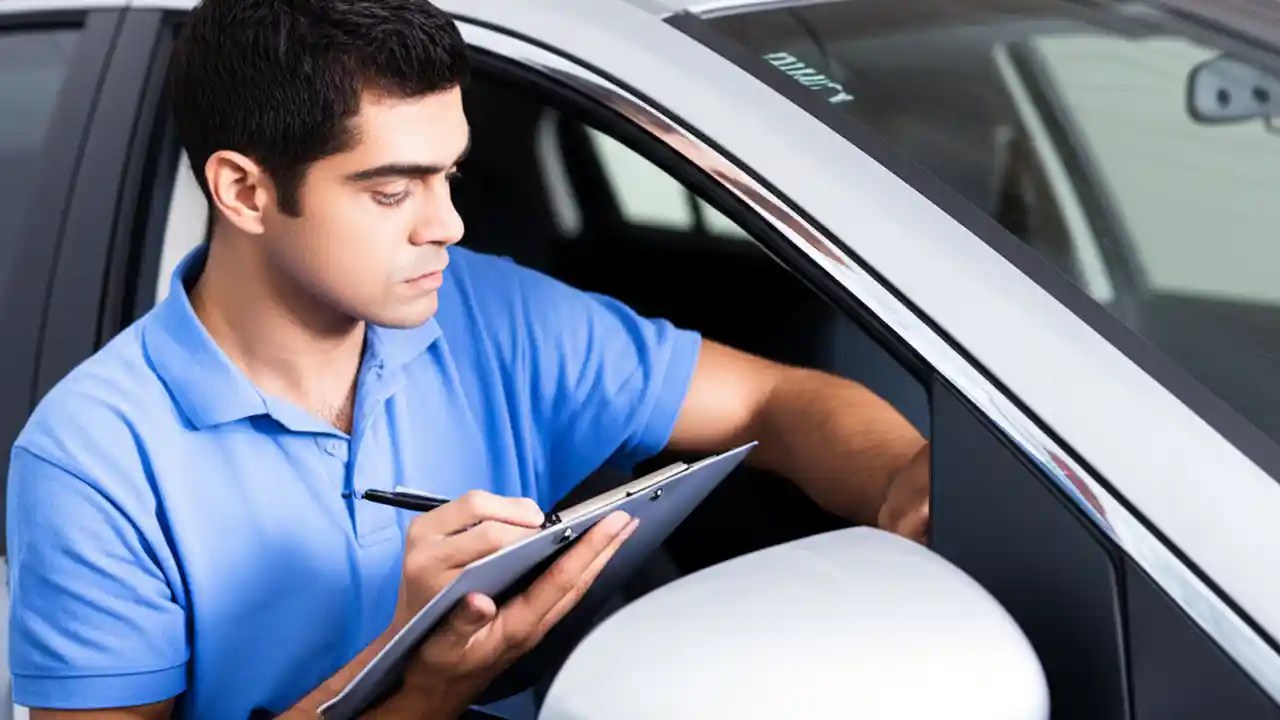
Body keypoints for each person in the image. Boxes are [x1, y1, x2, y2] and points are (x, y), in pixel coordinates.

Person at [4, 0, 930, 717]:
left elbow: (778, 403)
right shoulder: (95, 457)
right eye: (391, 190)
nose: (445, 223)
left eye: (448, 173)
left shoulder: (489, 311)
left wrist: (904, 481)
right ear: (244, 190)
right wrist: (422, 678)